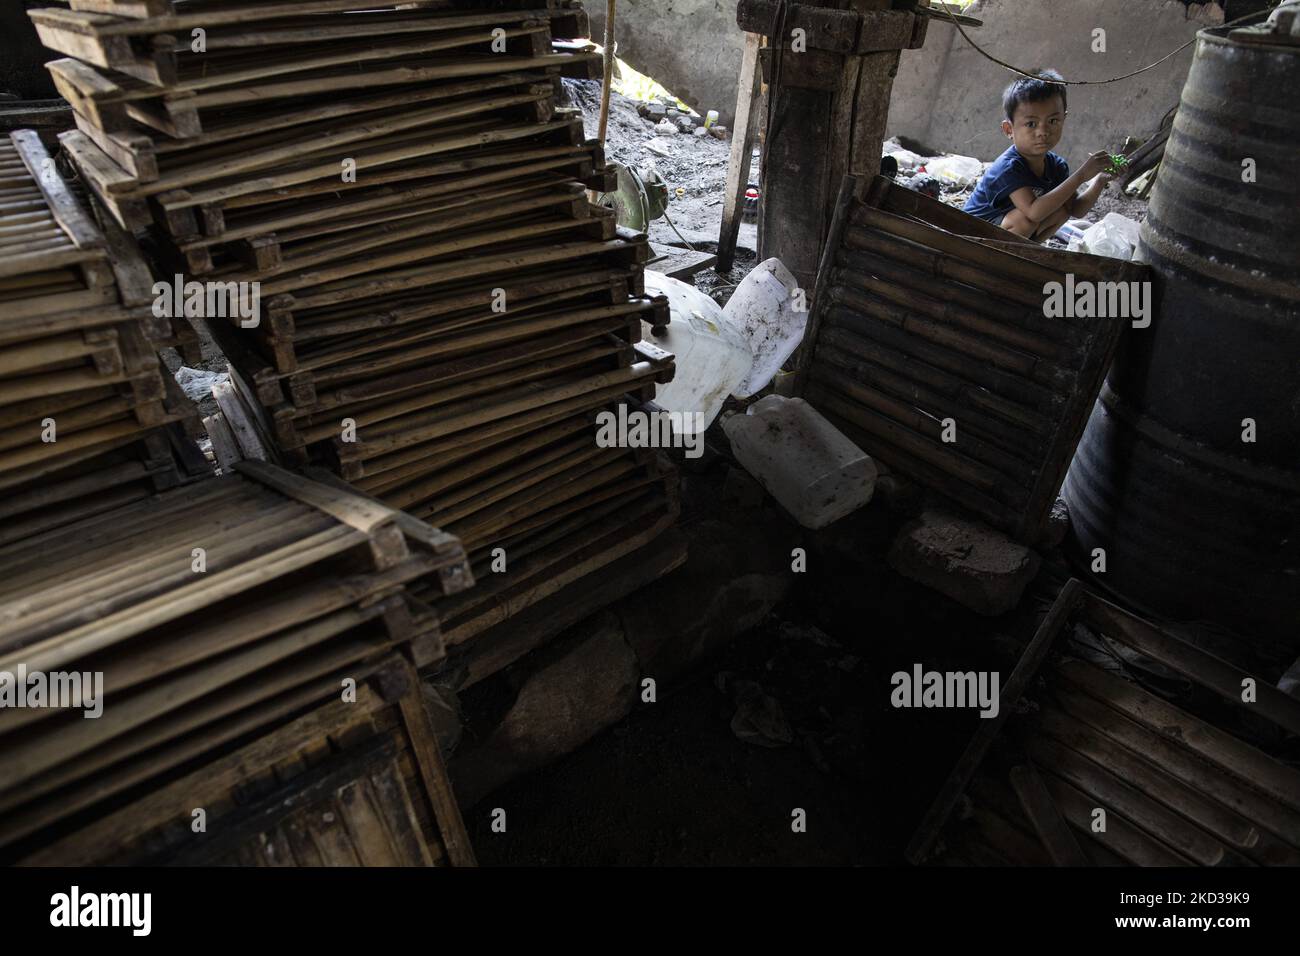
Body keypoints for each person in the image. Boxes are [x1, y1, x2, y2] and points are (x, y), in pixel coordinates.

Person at [963, 69, 1113, 241]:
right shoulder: (1008, 167)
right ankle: (1002, 260)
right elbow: (1034, 213)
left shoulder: (1056, 166)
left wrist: (1099, 180)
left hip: (1006, 234)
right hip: (971, 233)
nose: (1043, 131)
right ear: (1009, 129)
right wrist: (1081, 176)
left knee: (1061, 210)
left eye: (1052, 121)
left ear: (1064, 119)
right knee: (1024, 221)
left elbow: (1075, 209)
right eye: (1031, 124)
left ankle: (1028, 251)